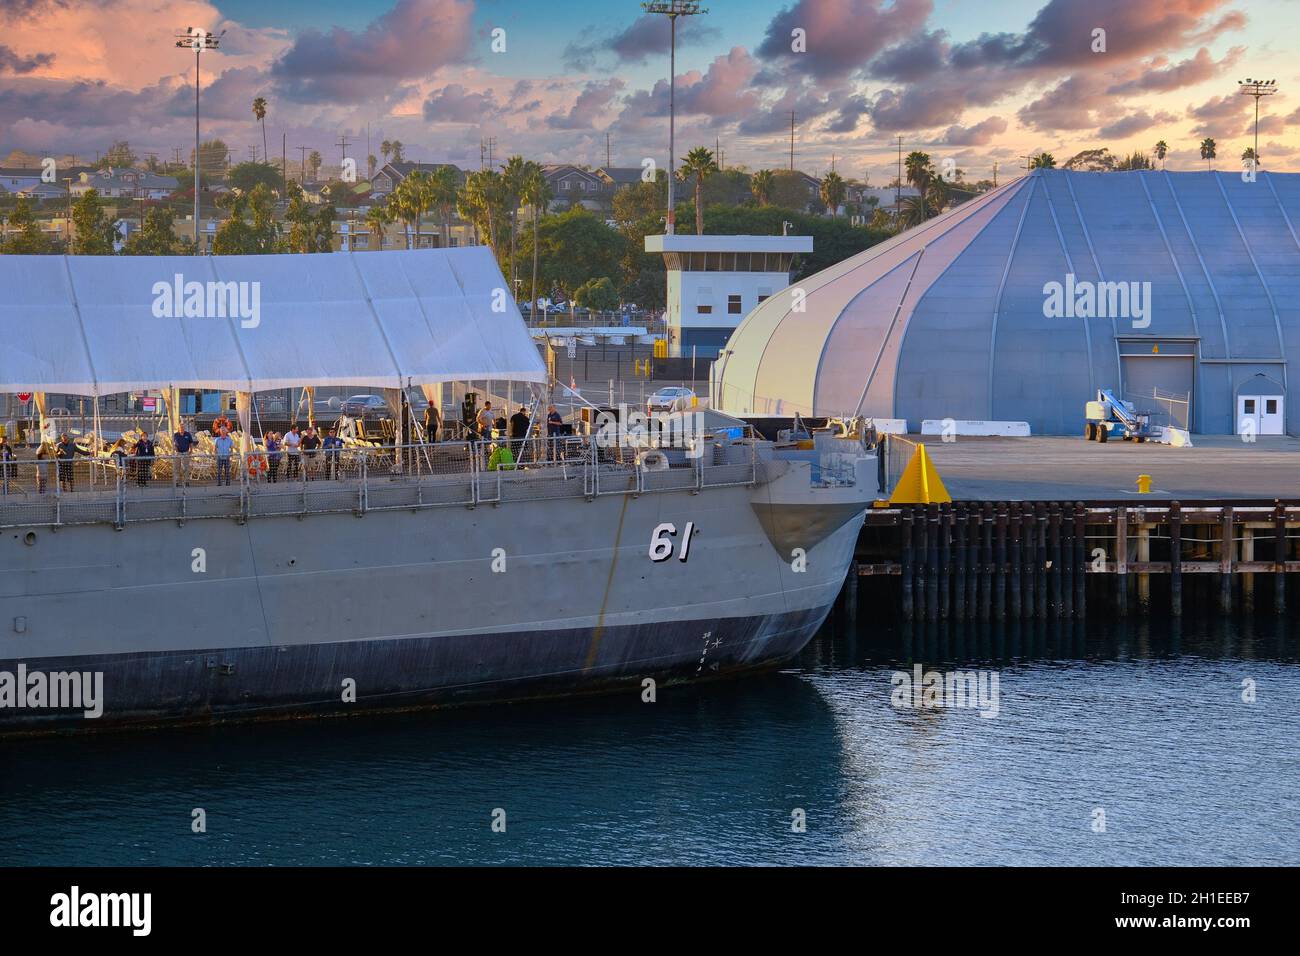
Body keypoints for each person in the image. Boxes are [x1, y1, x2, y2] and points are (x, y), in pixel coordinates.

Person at [173, 420, 195, 487]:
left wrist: (191, 450)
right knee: (177, 468)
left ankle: (186, 481)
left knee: (186, 468)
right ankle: (177, 482)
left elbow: (191, 443)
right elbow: (174, 444)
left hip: (186, 453)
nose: (182, 428)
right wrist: (176, 450)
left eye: (183, 427)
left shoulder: (188, 434)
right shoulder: (176, 435)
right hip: (178, 453)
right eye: (180, 427)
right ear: (178, 428)